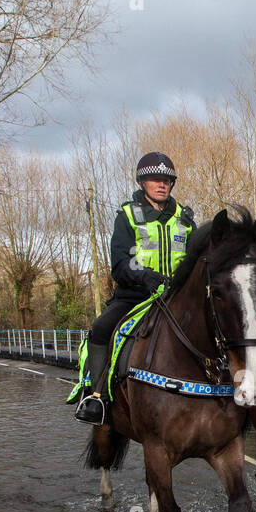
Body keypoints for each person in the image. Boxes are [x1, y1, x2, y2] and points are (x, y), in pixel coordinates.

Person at [73, 152, 195, 424]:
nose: (161, 184)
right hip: (136, 296)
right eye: (154, 179)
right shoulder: (127, 215)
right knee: (102, 329)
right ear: (142, 183)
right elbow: (119, 263)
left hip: (176, 298)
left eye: (166, 180)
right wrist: (144, 277)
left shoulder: (184, 219)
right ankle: (96, 395)